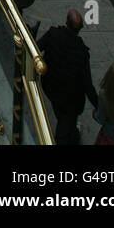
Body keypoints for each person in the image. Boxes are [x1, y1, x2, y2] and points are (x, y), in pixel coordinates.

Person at [38, 9, 98, 146]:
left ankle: (73, 134)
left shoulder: (53, 34)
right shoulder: (81, 52)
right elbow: (88, 84)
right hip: (70, 99)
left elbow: (36, 48)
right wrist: (99, 106)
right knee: (63, 131)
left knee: (63, 118)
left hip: (51, 87)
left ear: (66, 22)